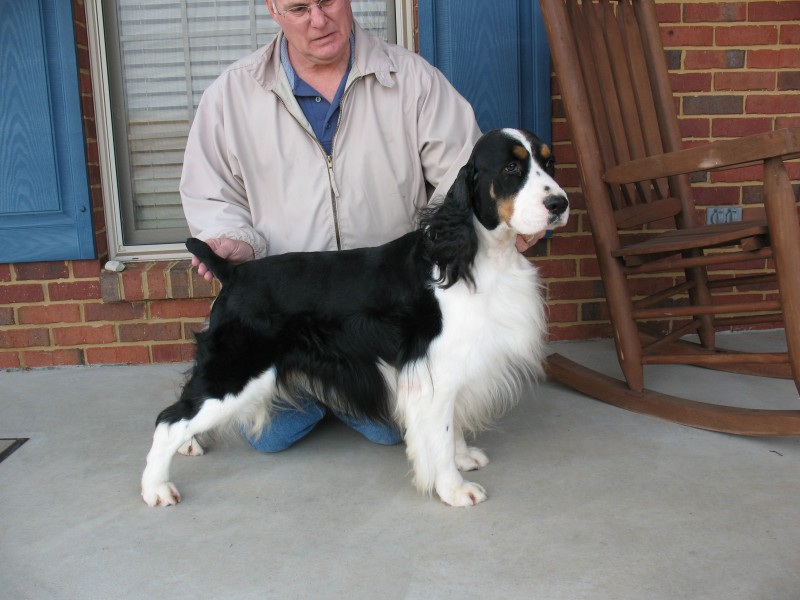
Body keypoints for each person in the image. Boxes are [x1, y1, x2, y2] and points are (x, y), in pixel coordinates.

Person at [181, 0, 540, 452]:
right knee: (270, 436)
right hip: (290, 314)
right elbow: (212, 194)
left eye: (328, 0)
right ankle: (306, 384)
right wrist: (235, 240)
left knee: (397, 425)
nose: (319, 19)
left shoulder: (413, 80)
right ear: (273, 9)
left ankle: (347, 391)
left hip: (382, 314)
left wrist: (508, 217)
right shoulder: (230, 95)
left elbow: (465, 178)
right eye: (299, 7)